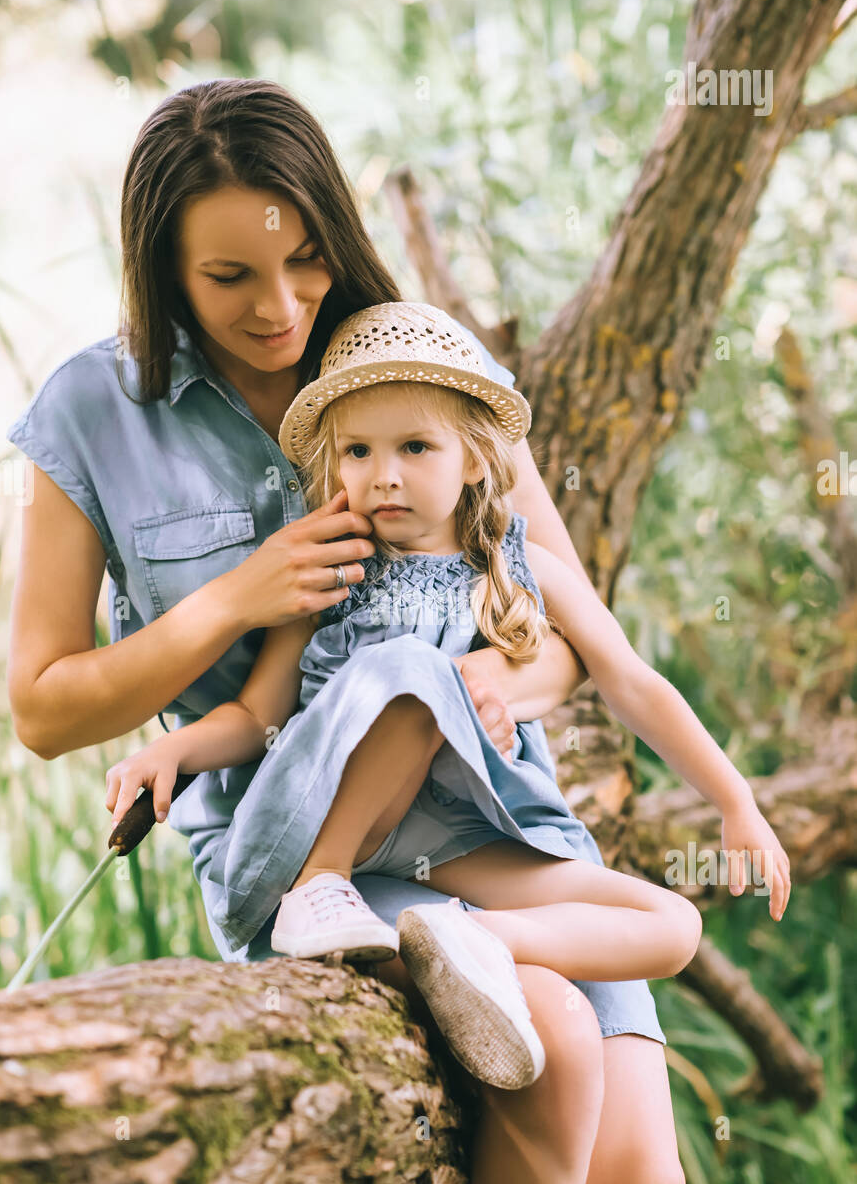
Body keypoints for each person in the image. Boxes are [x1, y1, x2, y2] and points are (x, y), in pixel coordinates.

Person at [4, 76, 758, 1184]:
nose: (282, 307)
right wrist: (233, 602)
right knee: (549, 1038)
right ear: (159, 272)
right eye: (230, 279)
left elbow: (554, 617)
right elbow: (44, 712)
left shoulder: (413, 356)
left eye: (306, 260)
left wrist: (506, 688)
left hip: (502, 817)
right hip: (317, 848)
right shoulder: (95, 412)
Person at [103, 298, 788, 1100]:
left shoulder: (520, 567)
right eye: (358, 451)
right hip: (332, 832)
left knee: (671, 926)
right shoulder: (333, 575)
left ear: (471, 459)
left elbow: (631, 682)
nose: (383, 473)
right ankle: (317, 887)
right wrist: (172, 748)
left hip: (458, 841)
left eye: (414, 446)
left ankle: (472, 942)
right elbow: (258, 717)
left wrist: (733, 800)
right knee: (416, 670)